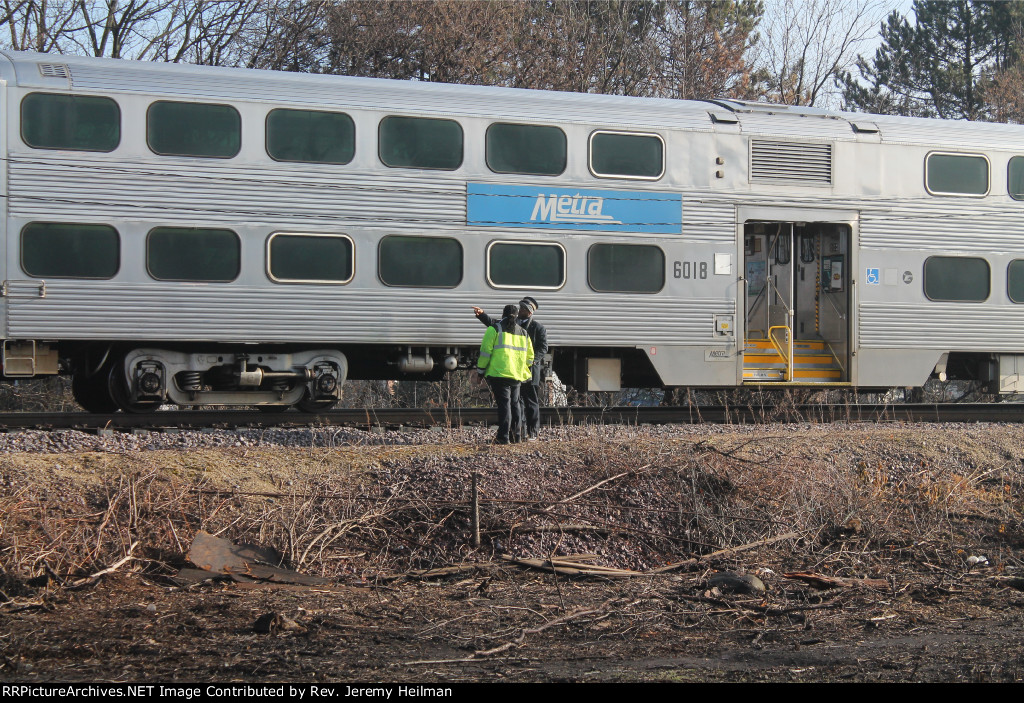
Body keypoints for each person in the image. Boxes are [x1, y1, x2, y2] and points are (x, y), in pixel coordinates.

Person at [473, 297, 547, 440]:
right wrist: (482, 315)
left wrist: (528, 363)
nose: (521, 311)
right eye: (520, 308)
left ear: (530, 312)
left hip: (527, 370)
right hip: (515, 371)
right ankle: (517, 433)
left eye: (524, 309)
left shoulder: (538, 328)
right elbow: (494, 323)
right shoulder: (512, 324)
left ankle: (533, 432)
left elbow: (542, 348)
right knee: (516, 403)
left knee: (530, 402)